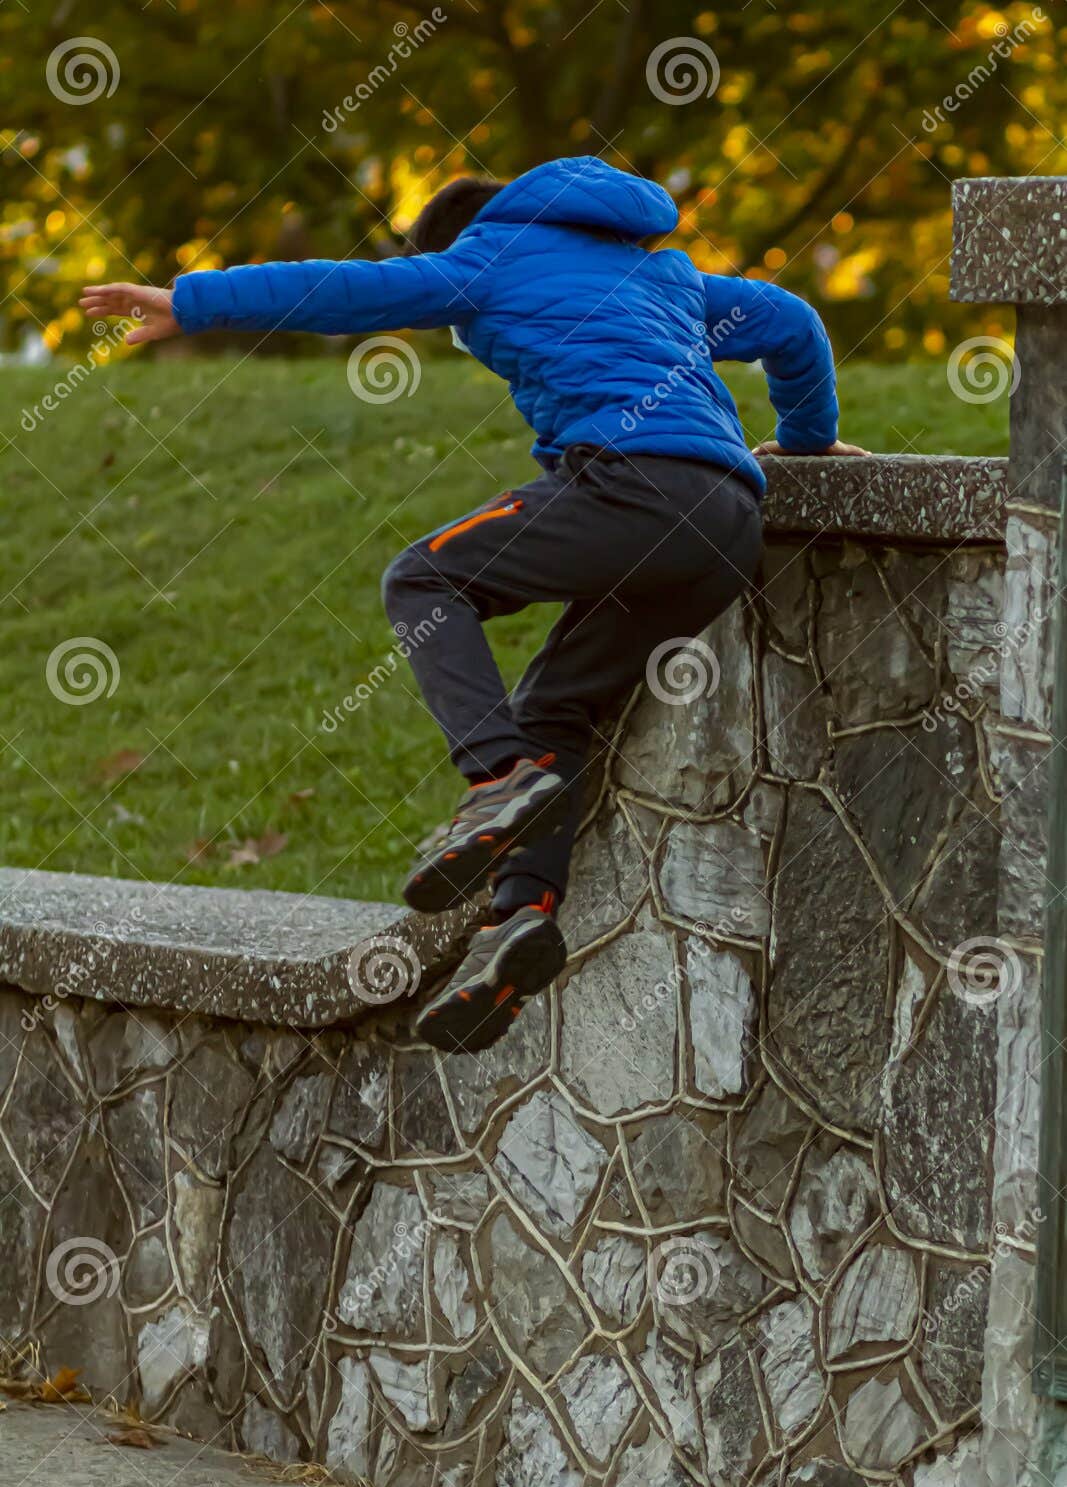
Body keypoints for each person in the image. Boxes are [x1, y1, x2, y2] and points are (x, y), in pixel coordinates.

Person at [81, 154, 866, 1056]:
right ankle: (518, 917)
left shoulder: (482, 257)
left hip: (629, 487)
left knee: (423, 579)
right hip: (725, 526)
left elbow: (348, 293)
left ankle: (497, 779)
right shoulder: (664, 273)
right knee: (555, 707)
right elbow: (794, 323)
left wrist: (192, 302)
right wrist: (802, 443)